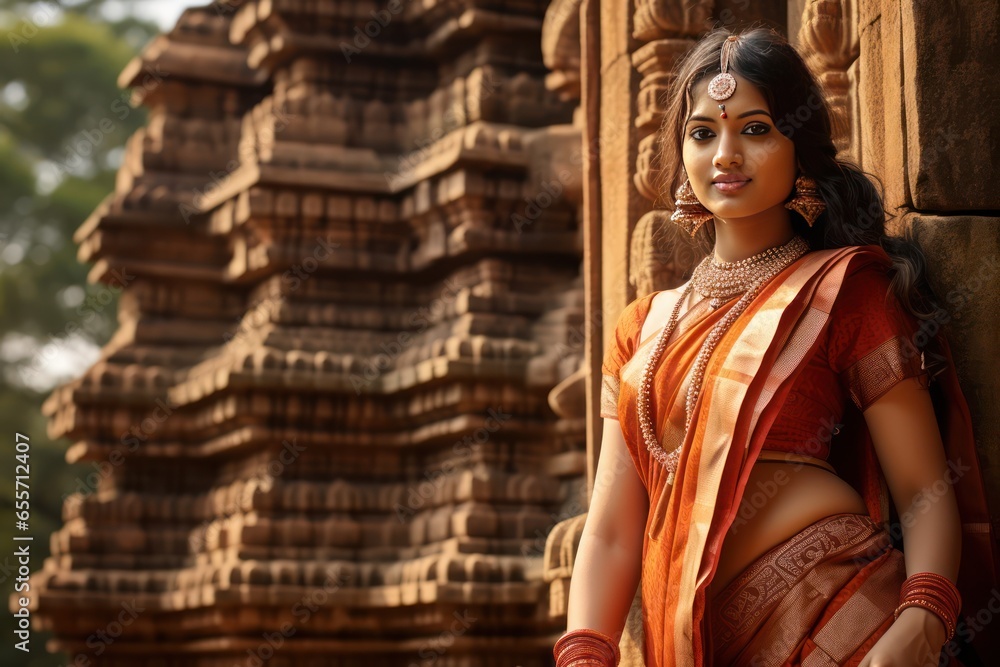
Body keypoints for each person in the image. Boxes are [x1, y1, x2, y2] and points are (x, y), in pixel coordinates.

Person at [551, 27, 998, 667]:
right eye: (703, 133)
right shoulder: (640, 329)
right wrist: (586, 653)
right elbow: (613, 531)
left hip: (841, 622)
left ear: (800, 149)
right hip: (696, 646)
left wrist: (921, 620)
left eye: (755, 129)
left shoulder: (845, 290)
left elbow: (925, 488)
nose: (726, 153)